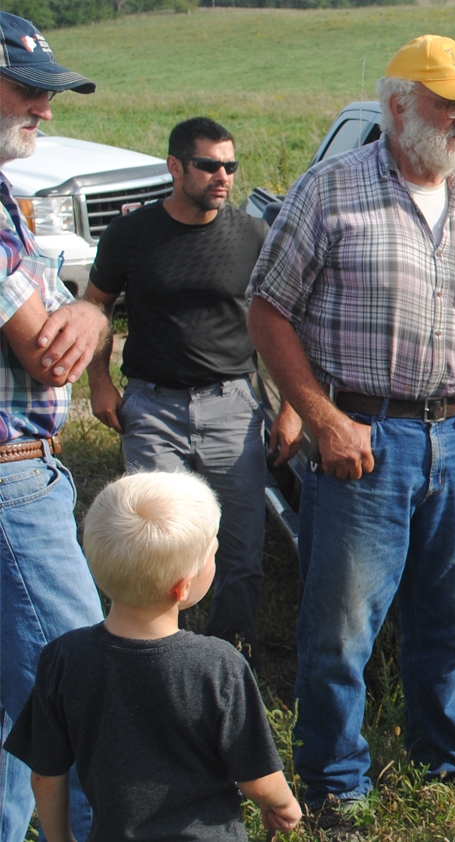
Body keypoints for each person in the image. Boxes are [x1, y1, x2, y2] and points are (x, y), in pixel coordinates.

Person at [247, 34, 455, 828]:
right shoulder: (332, 190)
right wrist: (325, 419)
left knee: (452, 619)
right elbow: (267, 310)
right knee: (341, 627)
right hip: (362, 439)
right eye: (450, 101)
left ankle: (446, 763)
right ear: (399, 104)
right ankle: (336, 780)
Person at [85, 116, 293, 667]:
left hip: (232, 405)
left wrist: (290, 408)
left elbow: (287, 318)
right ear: (175, 166)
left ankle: (230, 659)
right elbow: (96, 306)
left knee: (240, 546)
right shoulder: (131, 234)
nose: (222, 176)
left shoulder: (252, 235)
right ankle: (150, 657)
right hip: (152, 405)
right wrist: (100, 382)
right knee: (153, 542)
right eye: (208, 165)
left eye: (230, 166)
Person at [3, 472, 301, 841]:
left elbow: (45, 777)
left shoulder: (63, 659)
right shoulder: (218, 665)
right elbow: (256, 777)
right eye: (212, 552)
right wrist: (283, 803)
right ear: (183, 585)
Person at [0, 13, 109, 842]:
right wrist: (91, 322)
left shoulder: (9, 195)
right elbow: (50, 351)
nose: (45, 109)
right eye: (30, 91)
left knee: (17, 703)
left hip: (21, 466)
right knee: (83, 690)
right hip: (10, 475)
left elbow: (61, 323)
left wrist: (84, 319)